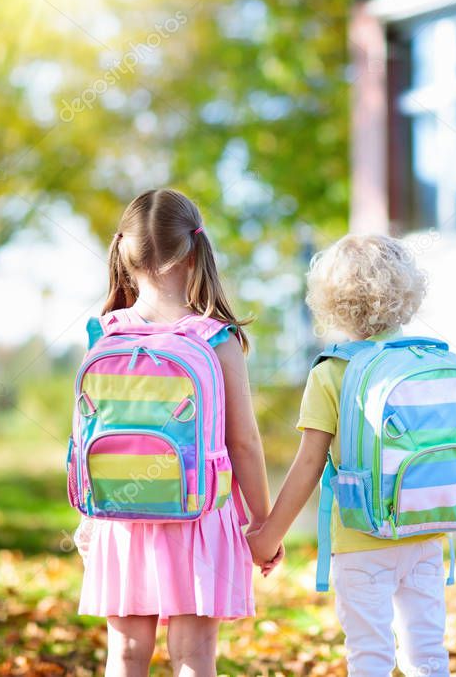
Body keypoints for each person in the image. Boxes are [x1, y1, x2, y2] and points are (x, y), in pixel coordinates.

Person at [74, 189, 281, 677]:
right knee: (192, 656)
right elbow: (244, 443)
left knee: (124, 655)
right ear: (194, 251)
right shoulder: (215, 339)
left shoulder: (103, 335)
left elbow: (86, 436)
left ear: (124, 253)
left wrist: (86, 515)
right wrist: (262, 524)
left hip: (121, 516)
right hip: (199, 516)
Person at [246, 234, 450, 677]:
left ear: (330, 301)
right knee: (428, 655)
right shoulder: (427, 360)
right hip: (425, 533)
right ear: (408, 290)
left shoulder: (332, 371)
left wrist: (267, 537)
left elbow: (308, 465)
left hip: (360, 540)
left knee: (371, 657)